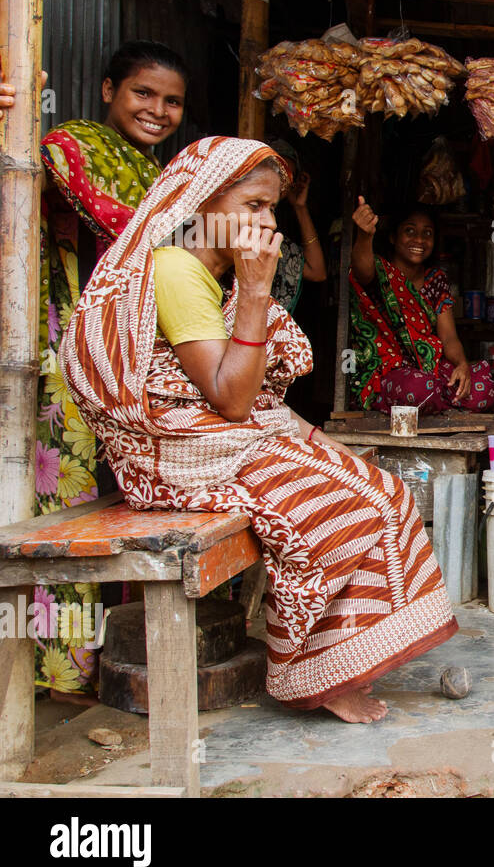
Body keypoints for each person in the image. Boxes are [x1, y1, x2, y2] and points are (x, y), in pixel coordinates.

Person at [59, 137, 460, 722]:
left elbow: (252, 406)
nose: (266, 222)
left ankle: (348, 656)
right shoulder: (176, 269)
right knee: (341, 506)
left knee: (385, 490)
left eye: (271, 208)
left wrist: (312, 439)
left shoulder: (203, 273)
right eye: (252, 206)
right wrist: (254, 291)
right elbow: (230, 398)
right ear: (199, 205)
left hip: (221, 439)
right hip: (175, 455)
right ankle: (310, 673)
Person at [30, 42, 188, 698]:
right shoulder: (72, 145)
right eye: (142, 94)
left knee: (127, 500)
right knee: (69, 502)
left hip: (134, 359)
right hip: (72, 348)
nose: (157, 109)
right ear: (107, 91)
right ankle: (63, 667)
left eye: (172, 100)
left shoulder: (160, 174)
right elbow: (127, 233)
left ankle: (120, 657)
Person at [348, 198, 494, 413]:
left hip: (429, 368)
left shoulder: (436, 280)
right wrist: (365, 235)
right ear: (393, 237)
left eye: (427, 233)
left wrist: (462, 365)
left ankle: (434, 401)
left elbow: (449, 337)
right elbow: (361, 270)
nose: (419, 239)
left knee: (482, 388)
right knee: (419, 389)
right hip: (388, 370)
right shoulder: (379, 272)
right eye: (410, 231)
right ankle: (433, 400)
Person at [265, 140, 327, 314]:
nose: (281, 181)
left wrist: (300, 207)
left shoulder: (275, 240)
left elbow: (317, 271)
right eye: (277, 171)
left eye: (288, 177)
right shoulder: (234, 226)